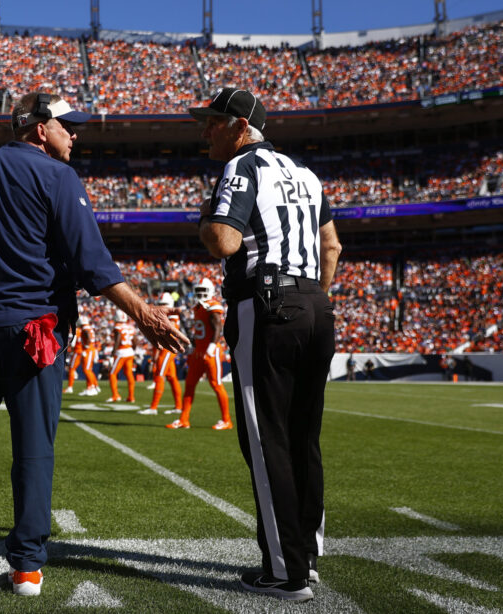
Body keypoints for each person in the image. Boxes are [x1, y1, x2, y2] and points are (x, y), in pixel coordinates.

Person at [0, 91, 188, 599]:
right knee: (33, 448)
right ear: (37, 128)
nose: (75, 134)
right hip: (36, 333)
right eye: (66, 125)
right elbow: (92, 262)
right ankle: (27, 567)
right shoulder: (59, 176)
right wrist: (144, 313)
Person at [192, 87, 342, 602]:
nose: (205, 132)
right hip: (315, 303)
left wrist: (206, 221)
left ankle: (285, 571)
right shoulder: (305, 172)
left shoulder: (242, 166)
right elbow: (332, 245)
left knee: (266, 439)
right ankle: (306, 554)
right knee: (304, 436)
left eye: (213, 122)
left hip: (267, 304)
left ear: (240, 126)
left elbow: (225, 241)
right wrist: (312, 296)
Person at [169, 277, 232, 430]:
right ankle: (184, 419)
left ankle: (226, 420)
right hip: (198, 352)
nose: (201, 293)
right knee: (190, 384)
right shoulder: (198, 307)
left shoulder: (212, 306)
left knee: (216, 384)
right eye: (199, 290)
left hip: (211, 352)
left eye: (204, 290)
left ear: (210, 291)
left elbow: (218, 327)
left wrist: (212, 346)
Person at [141, 293, 183, 416]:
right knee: (172, 378)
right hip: (165, 349)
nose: (161, 307)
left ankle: (153, 407)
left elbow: (166, 331)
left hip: (167, 350)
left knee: (160, 375)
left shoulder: (172, 317)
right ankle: (178, 406)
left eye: (164, 304)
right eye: (160, 304)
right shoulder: (167, 316)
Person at [107, 310, 138, 402]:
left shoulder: (117, 326)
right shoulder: (131, 327)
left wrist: (113, 353)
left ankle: (115, 395)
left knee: (112, 373)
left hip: (121, 352)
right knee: (129, 374)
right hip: (130, 352)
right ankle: (131, 397)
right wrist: (132, 350)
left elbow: (117, 340)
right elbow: (135, 341)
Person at [77, 315, 100, 395]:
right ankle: (90, 387)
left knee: (87, 370)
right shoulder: (88, 327)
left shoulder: (85, 328)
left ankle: (93, 387)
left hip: (88, 350)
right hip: (90, 349)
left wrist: (86, 346)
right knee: (88, 369)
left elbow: (88, 336)